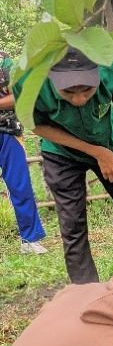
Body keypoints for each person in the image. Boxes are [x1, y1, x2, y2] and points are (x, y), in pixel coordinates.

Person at [13, 47, 113, 284]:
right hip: (61, 152)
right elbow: (36, 126)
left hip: (109, 143)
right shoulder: (29, 80)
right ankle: (87, 294)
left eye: (87, 89)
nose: (79, 99)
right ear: (51, 77)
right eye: (69, 91)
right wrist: (95, 152)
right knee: (73, 228)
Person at [0, 50, 47, 255]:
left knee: (20, 185)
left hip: (8, 131)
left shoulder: (6, 61)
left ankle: (30, 239)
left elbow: (20, 94)